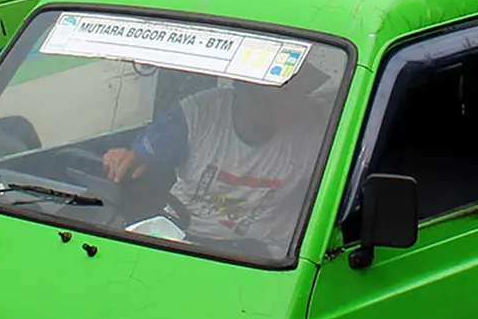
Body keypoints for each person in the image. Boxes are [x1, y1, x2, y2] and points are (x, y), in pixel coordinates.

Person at [102, 70, 333, 249]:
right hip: (180, 232)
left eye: (270, 97)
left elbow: (329, 200)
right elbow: (141, 161)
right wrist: (123, 159)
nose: (259, 106)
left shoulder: (314, 132)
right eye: (252, 95)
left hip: (263, 253)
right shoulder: (198, 113)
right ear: (237, 89)